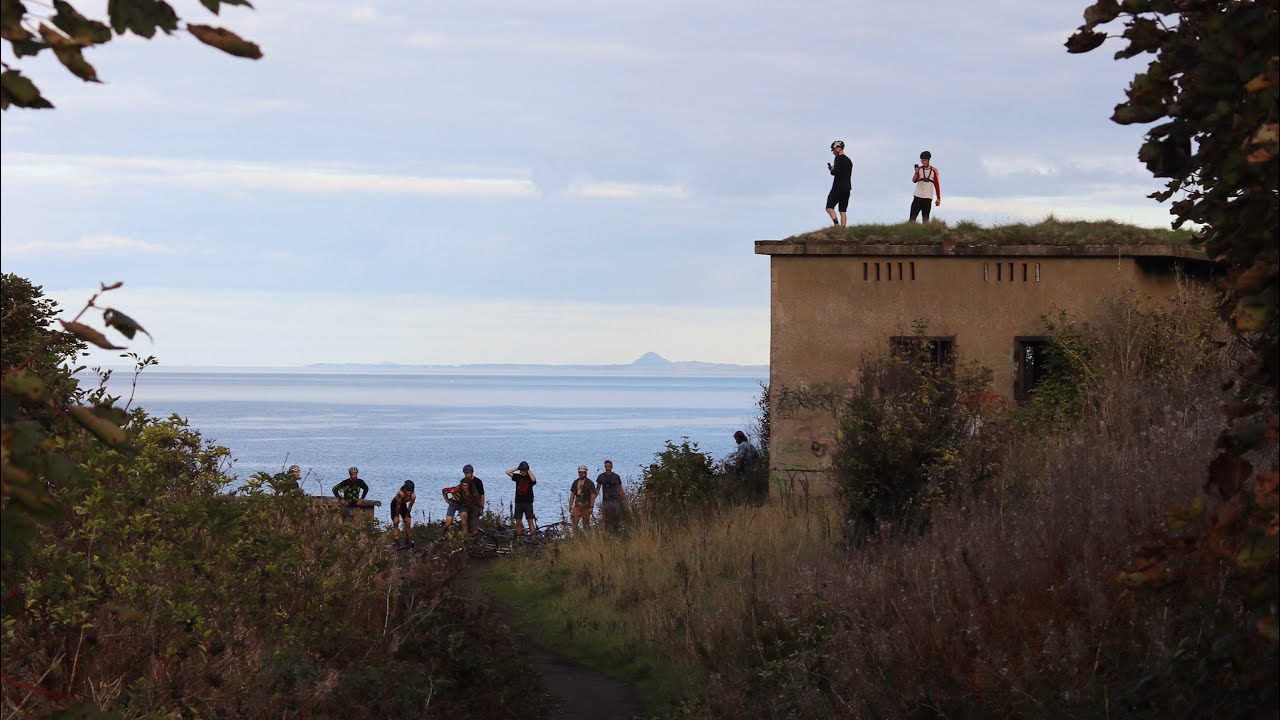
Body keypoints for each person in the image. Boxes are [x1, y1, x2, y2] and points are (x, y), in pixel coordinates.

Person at [825, 140, 853, 227]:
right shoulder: (849, 161)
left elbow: (835, 172)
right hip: (847, 188)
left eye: (833, 150)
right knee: (843, 211)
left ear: (838, 148)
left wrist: (832, 169)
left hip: (838, 187)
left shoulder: (838, 158)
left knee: (829, 207)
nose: (833, 152)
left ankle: (836, 225)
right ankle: (843, 229)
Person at [729, 430, 762, 502]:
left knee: (742, 485)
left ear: (739, 438)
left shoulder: (741, 445)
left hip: (744, 469)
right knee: (751, 486)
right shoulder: (751, 445)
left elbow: (741, 457)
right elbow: (757, 457)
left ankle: (744, 501)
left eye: (736, 438)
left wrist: (738, 468)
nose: (735, 440)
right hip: (752, 469)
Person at [506, 461, 538, 536]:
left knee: (530, 521)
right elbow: (507, 472)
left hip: (528, 503)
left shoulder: (530, 478)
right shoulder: (518, 477)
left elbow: (534, 479)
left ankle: (533, 537)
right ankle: (519, 538)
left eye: (524, 470)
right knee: (518, 522)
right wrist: (517, 468)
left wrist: (528, 470)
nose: (522, 472)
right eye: (522, 470)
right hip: (518, 502)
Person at [910, 150, 941, 223]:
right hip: (917, 196)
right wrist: (916, 173)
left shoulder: (934, 170)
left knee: (925, 219)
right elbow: (914, 180)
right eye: (922, 160)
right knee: (912, 218)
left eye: (925, 160)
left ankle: (926, 232)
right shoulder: (919, 169)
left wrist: (938, 198)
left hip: (927, 198)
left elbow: (937, 185)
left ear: (928, 160)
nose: (923, 162)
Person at [596, 459, 626, 532]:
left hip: (615, 500)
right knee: (606, 518)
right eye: (606, 466)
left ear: (612, 467)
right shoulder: (601, 477)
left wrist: (624, 500)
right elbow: (597, 489)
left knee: (616, 517)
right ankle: (607, 533)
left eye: (609, 466)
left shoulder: (616, 476)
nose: (607, 468)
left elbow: (619, 489)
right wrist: (592, 500)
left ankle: (616, 532)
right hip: (606, 501)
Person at [567, 465, 597, 533]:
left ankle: (587, 538)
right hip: (577, 506)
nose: (581, 474)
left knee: (586, 524)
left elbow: (593, 495)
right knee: (574, 523)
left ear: (586, 473)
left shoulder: (590, 483)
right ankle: (577, 536)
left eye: (583, 472)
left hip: (586, 506)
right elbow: (572, 494)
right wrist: (570, 505)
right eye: (580, 472)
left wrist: (591, 507)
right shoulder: (575, 482)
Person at [390, 481, 416, 548]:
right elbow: (398, 506)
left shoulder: (413, 496)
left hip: (403, 505)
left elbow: (410, 507)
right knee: (396, 522)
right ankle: (397, 542)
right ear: (404, 489)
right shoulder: (400, 494)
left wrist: (407, 516)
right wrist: (396, 515)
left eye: (411, 491)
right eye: (407, 490)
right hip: (395, 505)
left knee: (408, 522)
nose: (409, 492)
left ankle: (407, 541)